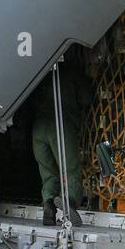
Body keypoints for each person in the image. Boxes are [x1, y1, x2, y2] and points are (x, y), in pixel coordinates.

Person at [32, 67, 91, 226]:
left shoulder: (42, 71)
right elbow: (87, 98)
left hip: (38, 127)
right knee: (70, 168)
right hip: (60, 124)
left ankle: (48, 206)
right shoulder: (73, 72)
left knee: (48, 172)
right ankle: (69, 203)